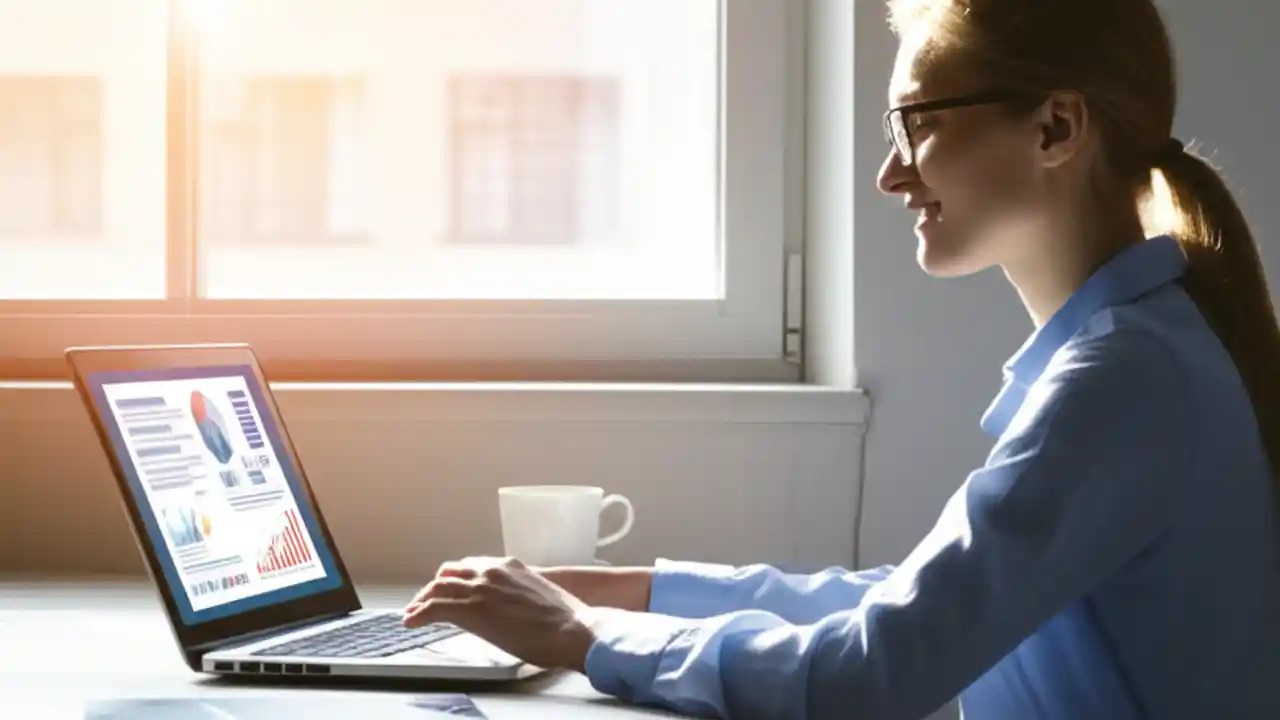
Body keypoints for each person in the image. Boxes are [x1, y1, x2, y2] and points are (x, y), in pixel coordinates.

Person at [402, 0, 1280, 717]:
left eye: (915, 125)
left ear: (1055, 127)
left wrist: (582, 635)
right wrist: (639, 591)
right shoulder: (1138, 352)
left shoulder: (1122, 381)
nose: (889, 177)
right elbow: (910, 603)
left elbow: (870, 673)